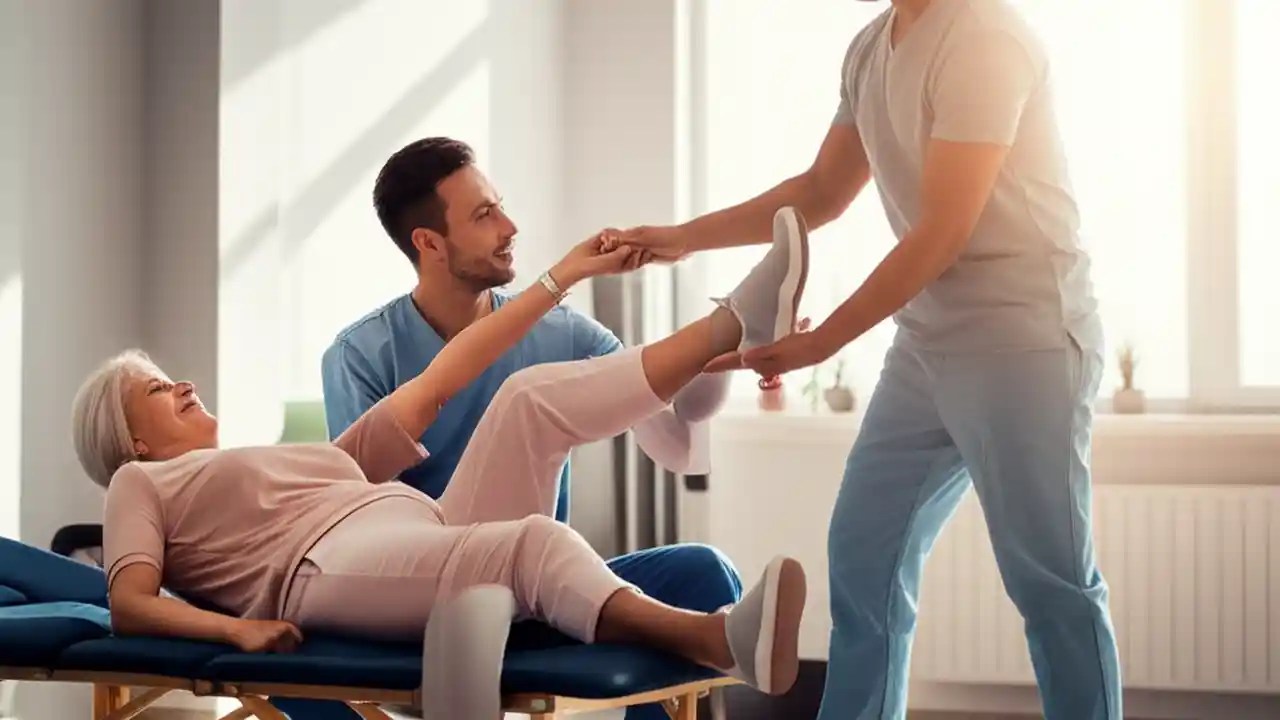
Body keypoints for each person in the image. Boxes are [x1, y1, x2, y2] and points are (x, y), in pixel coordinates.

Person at [70, 214, 812, 705]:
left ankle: (731, 326)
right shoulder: (142, 482)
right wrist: (236, 632)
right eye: (160, 389)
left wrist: (561, 277)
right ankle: (717, 638)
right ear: (131, 440)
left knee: (526, 397)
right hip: (323, 569)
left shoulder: (295, 460)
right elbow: (130, 604)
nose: (184, 383)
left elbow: (442, 377)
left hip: (414, 526)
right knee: (533, 542)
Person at [621, 1, 1121, 718]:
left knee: (1052, 585)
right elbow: (822, 191)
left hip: (1025, 342)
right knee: (864, 562)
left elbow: (945, 228)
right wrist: (683, 238)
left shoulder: (987, 39)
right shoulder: (869, 49)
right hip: (927, 348)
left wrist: (820, 344)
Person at [317, 137, 745, 720]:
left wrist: (737, 352)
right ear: (428, 243)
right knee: (527, 405)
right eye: (484, 214)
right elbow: (364, 515)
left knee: (704, 573)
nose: (509, 225)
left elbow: (667, 434)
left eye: (501, 205)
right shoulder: (359, 356)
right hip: (429, 606)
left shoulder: (564, 334)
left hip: (539, 593)